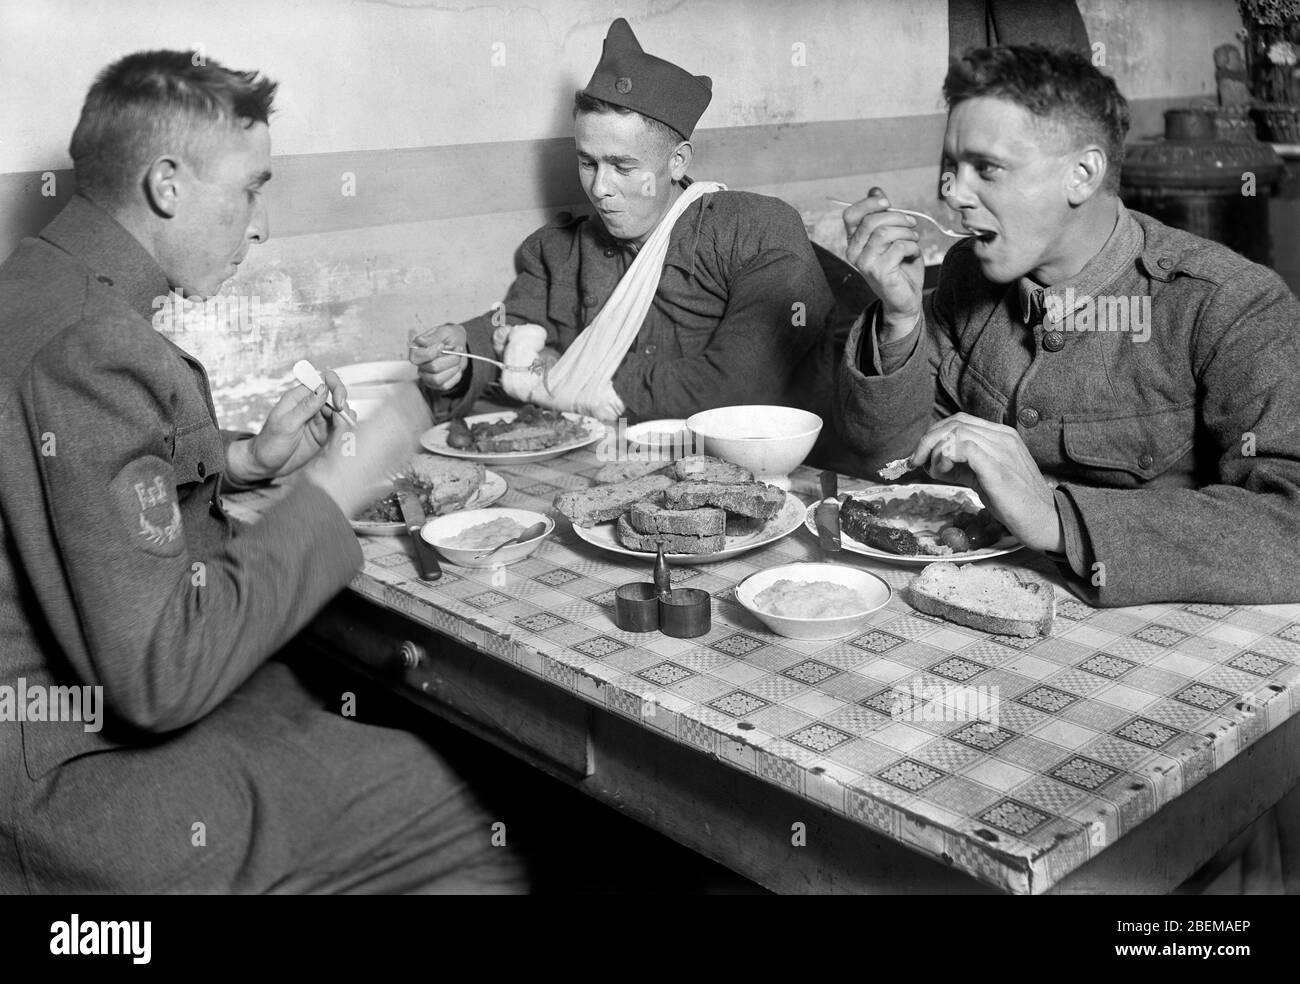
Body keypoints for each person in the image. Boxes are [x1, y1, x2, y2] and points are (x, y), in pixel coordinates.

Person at [0, 51, 526, 893]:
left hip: (48, 726)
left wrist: (243, 461)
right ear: (167, 185)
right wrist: (338, 485)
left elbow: (69, 482)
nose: (261, 225)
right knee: (429, 802)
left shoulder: (40, 282)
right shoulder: (92, 346)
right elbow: (158, 678)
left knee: (341, 709)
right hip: (64, 778)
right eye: (251, 189)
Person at [835, 44, 1300, 609]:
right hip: (976, 610)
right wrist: (900, 318)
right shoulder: (967, 274)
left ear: (1082, 174)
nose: (951, 194)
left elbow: (1289, 525)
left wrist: (1058, 518)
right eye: (952, 168)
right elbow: (890, 462)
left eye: (987, 169)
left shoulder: (1228, 306)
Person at [412, 18, 833, 423]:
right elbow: (512, 324)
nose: (599, 189)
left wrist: (589, 382)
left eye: (622, 166)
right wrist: (463, 351)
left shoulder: (753, 232)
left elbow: (741, 383)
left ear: (677, 161)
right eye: (587, 162)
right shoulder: (559, 250)